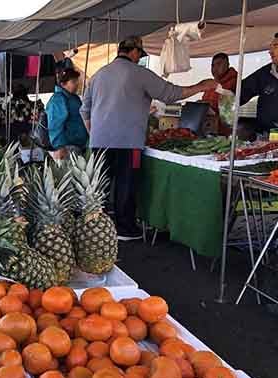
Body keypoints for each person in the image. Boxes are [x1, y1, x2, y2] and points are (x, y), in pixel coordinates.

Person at [80, 35, 216, 240]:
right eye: (139, 54)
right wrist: (201, 86)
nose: (139, 58)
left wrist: (95, 133)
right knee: (126, 183)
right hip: (128, 142)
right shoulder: (139, 73)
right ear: (134, 52)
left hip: (99, 141)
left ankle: (96, 229)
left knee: (100, 185)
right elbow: (170, 94)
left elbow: (85, 110)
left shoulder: (99, 75)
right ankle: (124, 229)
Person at [240, 31, 278, 132]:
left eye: (275, 46)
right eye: (271, 47)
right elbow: (239, 93)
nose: (270, 51)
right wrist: (220, 90)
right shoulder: (263, 74)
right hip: (265, 138)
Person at [46, 68, 88, 160]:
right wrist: (60, 146)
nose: (77, 84)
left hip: (76, 145)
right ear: (63, 84)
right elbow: (55, 124)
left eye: (77, 81)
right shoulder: (58, 99)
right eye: (73, 82)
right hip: (66, 148)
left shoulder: (73, 97)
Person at [202, 53, 238, 133]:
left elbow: (227, 109)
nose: (215, 68)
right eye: (213, 65)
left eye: (219, 64)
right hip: (208, 128)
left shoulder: (234, 82)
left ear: (227, 65)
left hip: (224, 132)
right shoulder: (212, 84)